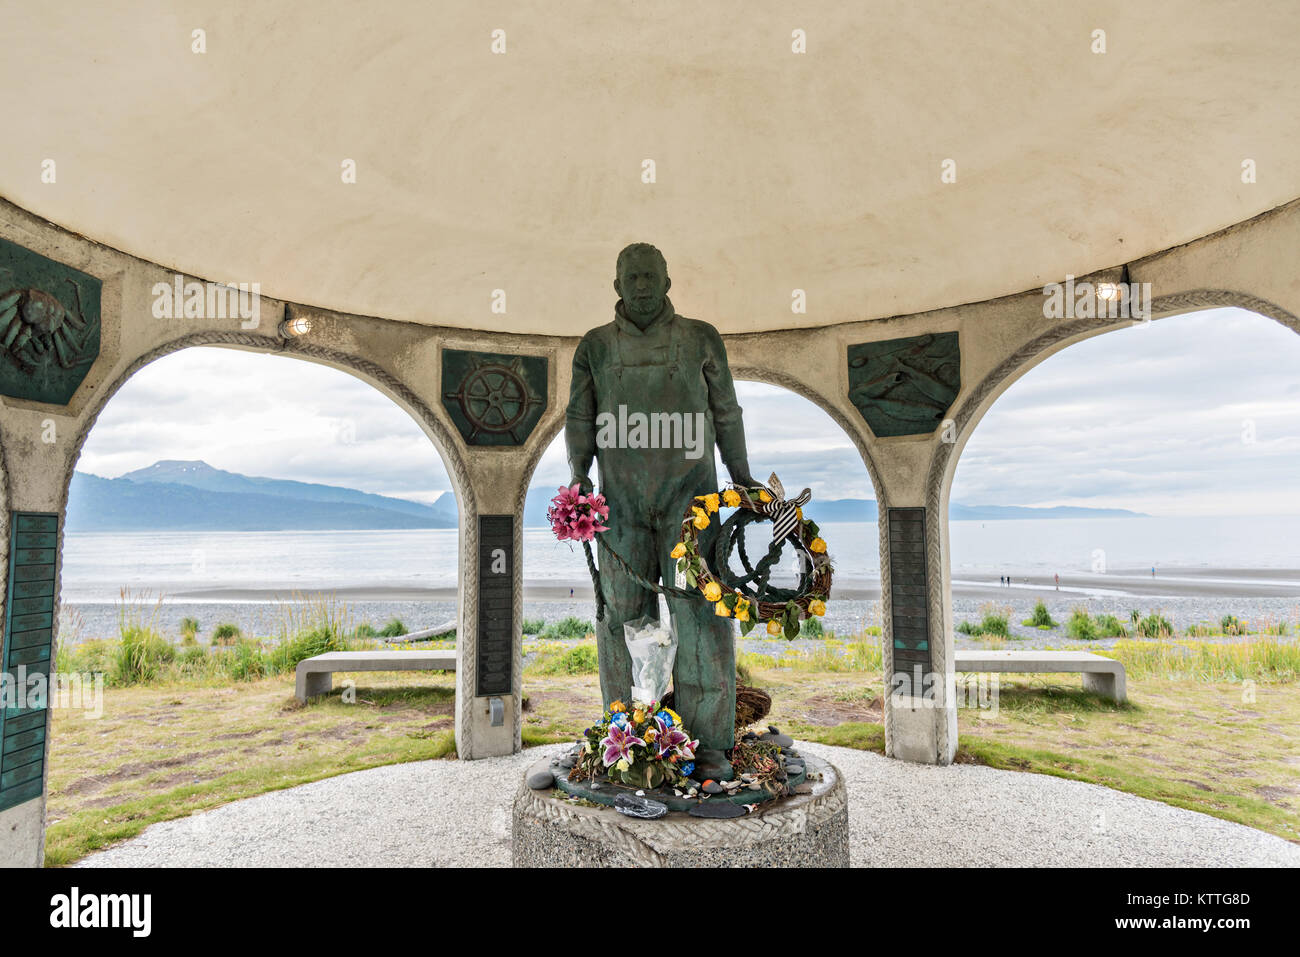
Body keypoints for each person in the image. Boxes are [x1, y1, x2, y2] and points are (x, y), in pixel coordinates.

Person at [566, 243, 757, 781]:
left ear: (669, 282)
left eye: (651, 275)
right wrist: (579, 479)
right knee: (618, 617)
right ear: (617, 285)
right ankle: (621, 739)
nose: (642, 283)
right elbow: (580, 417)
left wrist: (740, 476)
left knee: (702, 616)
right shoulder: (595, 347)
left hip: (691, 502)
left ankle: (712, 741)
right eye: (632, 275)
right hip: (619, 505)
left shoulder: (701, 337)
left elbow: (727, 412)